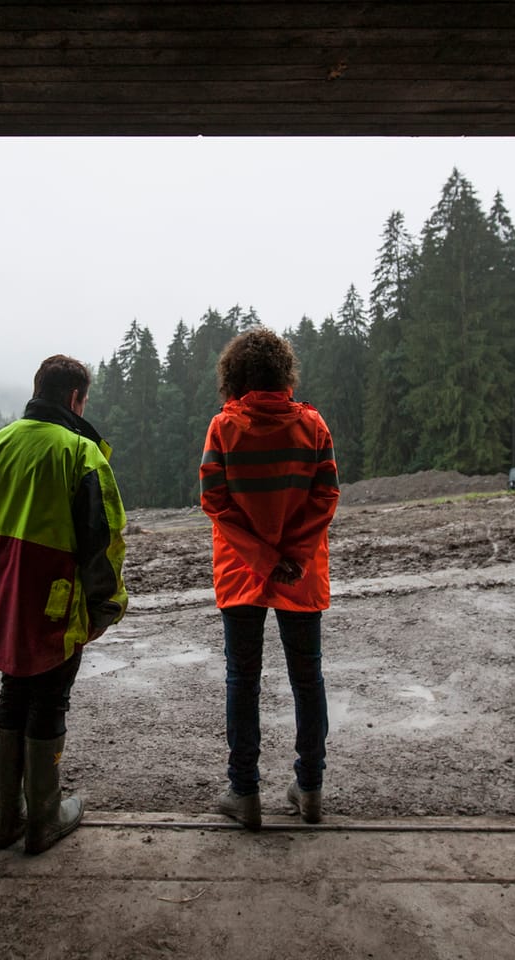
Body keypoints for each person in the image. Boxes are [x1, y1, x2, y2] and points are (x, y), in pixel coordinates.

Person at [0, 354, 128, 855]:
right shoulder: (81, 453)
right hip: (59, 602)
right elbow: (104, 543)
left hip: (4, 600)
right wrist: (104, 608)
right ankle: (44, 819)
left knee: (13, 693)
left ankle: (8, 819)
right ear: (76, 399)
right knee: (51, 698)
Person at [200, 327, 340, 830]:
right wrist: (292, 557)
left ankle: (245, 793)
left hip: (241, 573)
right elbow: (326, 496)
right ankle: (311, 789)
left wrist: (261, 559)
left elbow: (214, 501)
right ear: (285, 373)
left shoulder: (224, 429)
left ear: (233, 376)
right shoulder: (313, 427)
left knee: (243, 679)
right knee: (308, 680)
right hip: (299, 575)